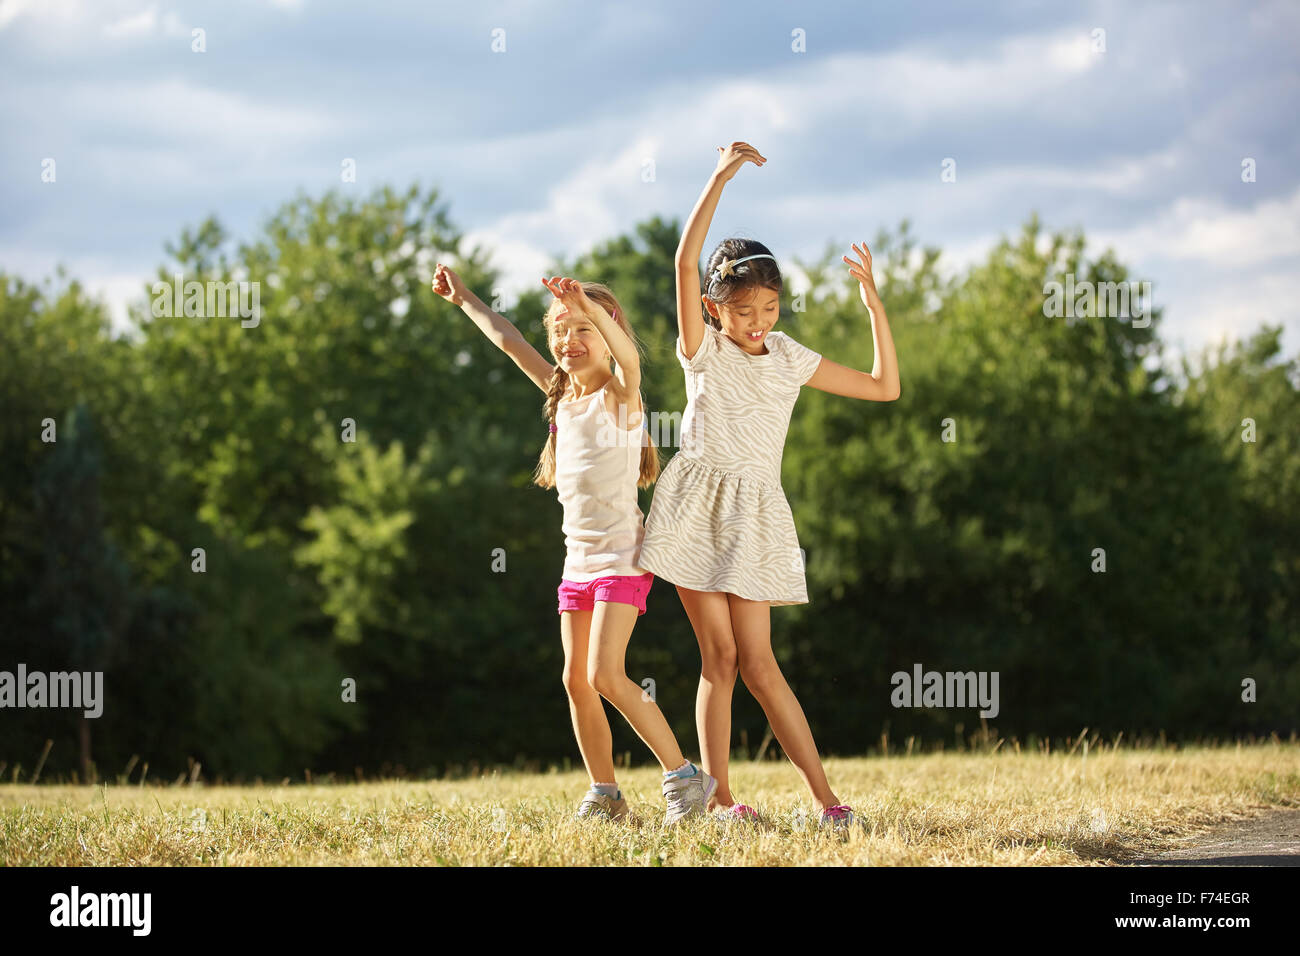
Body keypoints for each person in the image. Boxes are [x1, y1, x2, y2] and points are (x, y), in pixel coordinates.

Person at [637, 141, 901, 833]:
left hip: (756, 509)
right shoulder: (703, 350)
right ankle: (719, 802)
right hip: (695, 504)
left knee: (760, 663)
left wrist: (874, 303)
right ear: (714, 308)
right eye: (745, 310)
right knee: (717, 658)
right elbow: (680, 260)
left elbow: (884, 387)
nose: (758, 322)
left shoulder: (788, 357)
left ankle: (827, 802)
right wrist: (719, 176)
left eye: (770, 308)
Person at [431, 264, 716, 825]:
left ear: (608, 333)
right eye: (559, 331)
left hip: (622, 560)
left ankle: (686, 778)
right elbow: (509, 340)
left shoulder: (620, 395)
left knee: (607, 675)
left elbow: (630, 357)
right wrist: (463, 296)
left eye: (582, 329)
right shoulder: (560, 395)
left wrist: (584, 301)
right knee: (575, 680)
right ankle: (606, 793)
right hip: (578, 565)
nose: (567, 340)